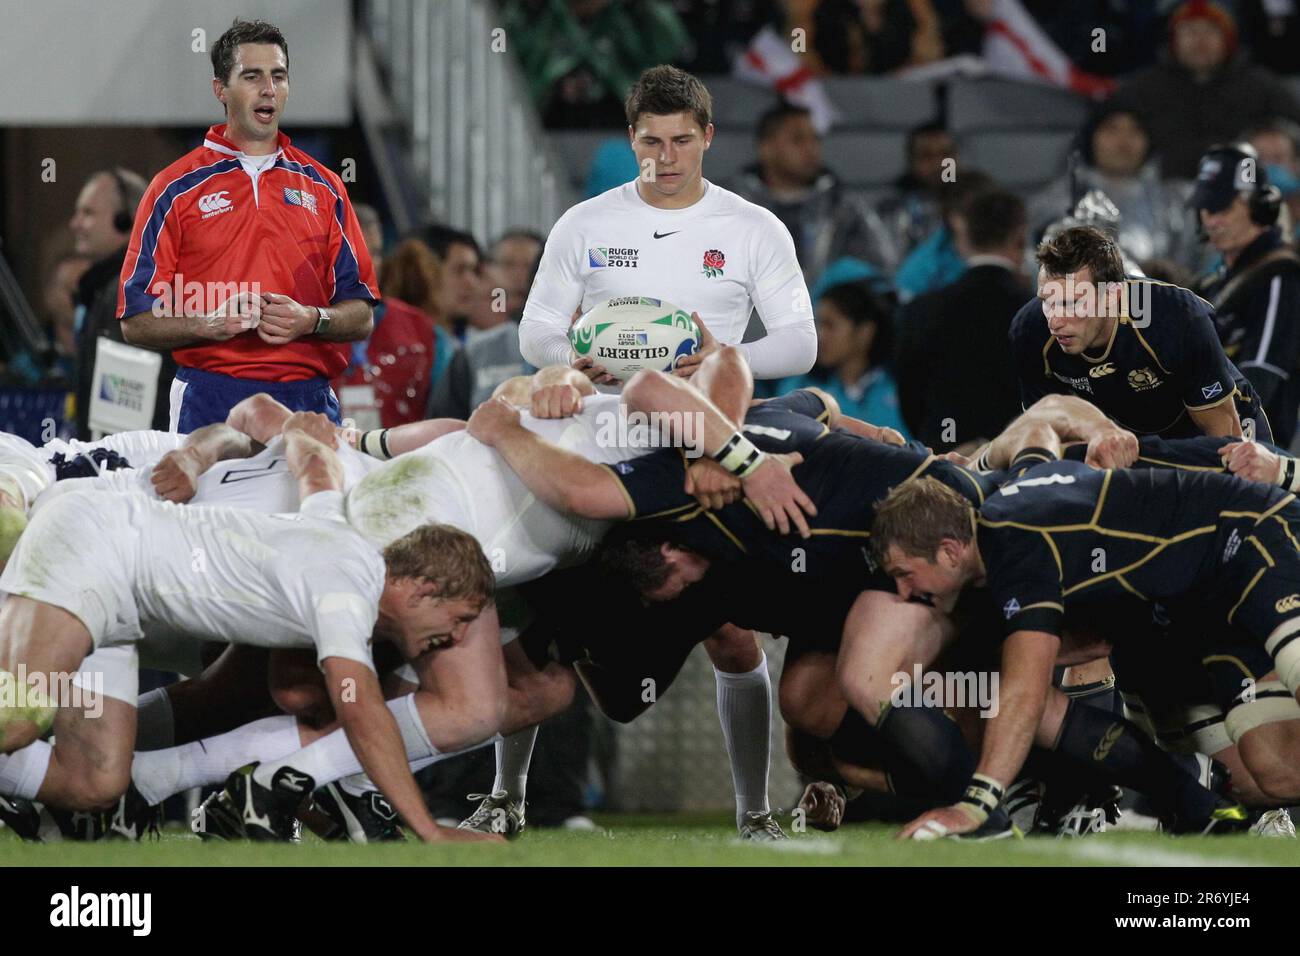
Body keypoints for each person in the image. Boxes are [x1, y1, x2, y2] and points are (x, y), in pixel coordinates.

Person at [0, 421, 497, 845]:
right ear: (422, 588)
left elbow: (314, 466)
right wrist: (430, 831)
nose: (455, 639)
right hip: (93, 547)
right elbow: (361, 711)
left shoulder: (337, 533)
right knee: (16, 720)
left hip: (119, 606)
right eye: (458, 619)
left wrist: (300, 430)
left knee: (93, 783)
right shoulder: (348, 589)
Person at [870, 454, 1300, 839]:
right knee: (1278, 775)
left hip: (1255, 538)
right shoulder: (1007, 522)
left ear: (949, 552)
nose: (904, 592)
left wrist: (973, 806)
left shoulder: (1013, 540)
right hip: (1207, 607)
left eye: (904, 573)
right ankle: (1193, 797)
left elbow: (1024, 692)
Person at [117, 18, 379, 433]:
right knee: (210, 502)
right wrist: (209, 323)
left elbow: (361, 315)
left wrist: (311, 319)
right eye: (252, 76)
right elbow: (135, 321)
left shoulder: (327, 188)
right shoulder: (172, 190)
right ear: (220, 89)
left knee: (313, 501)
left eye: (278, 76)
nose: (268, 89)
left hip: (308, 400)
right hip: (210, 398)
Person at [518, 65, 817, 385]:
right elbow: (536, 328)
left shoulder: (756, 229)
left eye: (682, 140)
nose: (666, 157)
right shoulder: (582, 224)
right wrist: (568, 357)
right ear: (632, 138)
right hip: (602, 424)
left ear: (708, 137)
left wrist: (728, 358)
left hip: (706, 424)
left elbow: (801, 343)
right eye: (652, 142)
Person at [1010, 225, 1270, 441]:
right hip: (1132, 435)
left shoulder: (1174, 319)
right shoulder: (1029, 331)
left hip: (1215, 421)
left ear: (1113, 295)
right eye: (1047, 300)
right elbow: (1045, 438)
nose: (1054, 321)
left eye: (1071, 303)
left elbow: (1225, 440)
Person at [897, 188, 1031, 450]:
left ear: (961, 238)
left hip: (944, 463)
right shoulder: (1041, 312)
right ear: (1020, 237)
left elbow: (910, 400)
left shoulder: (920, 310)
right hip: (1020, 461)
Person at [1108, 0, 1300, 180]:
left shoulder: (1261, 85)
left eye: (1210, 31)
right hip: (1158, 190)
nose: (1200, 41)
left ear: (1228, 40)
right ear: (1174, 40)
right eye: (1190, 31)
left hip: (1243, 191)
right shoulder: (1143, 87)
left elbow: (1292, 127)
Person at [1191, 143, 1300, 447]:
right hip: (1209, 444)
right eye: (1206, 208)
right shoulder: (1210, 284)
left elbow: (1259, 383)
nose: (1211, 221)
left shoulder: (1280, 276)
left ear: (1259, 207)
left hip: (1252, 456)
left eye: (1222, 208)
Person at [727, 102, 897, 280]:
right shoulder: (731, 210)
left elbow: (879, 272)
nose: (811, 149)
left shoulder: (844, 210)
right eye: (798, 140)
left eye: (815, 139)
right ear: (765, 149)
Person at [68, 168, 177, 438]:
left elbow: (123, 409)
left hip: (124, 465)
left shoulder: (127, 288)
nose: (75, 223)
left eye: (88, 213)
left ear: (125, 220)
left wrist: (109, 468)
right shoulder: (106, 286)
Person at [1029, 104, 1196, 267]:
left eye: (1135, 131)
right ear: (1090, 139)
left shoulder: (1175, 200)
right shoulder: (1056, 202)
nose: (1123, 142)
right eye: (1111, 130)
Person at [771, 281, 907, 436]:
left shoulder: (900, 386)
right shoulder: (800, 389)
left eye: (830, 325)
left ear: (864, 333)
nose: (820, 335)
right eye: (818, 324)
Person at [877, 122, 958, 260]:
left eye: (945, 155)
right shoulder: (892, 207)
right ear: (911, 161)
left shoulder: (973, 203)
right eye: (927, 156)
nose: (939, 164)